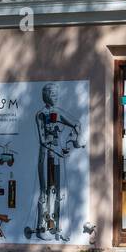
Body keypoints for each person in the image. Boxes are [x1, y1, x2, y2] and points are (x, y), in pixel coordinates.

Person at [34, 83, 82, 241]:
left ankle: (57, 228)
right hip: (46, 155)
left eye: (56, 94)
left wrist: (72, 139)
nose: (55, 97)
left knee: (58, 191)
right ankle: (42, 226)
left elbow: (77, 124)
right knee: (45, 190)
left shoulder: (58, 112)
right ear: (46, 96)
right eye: (52, 94)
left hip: (56, 156)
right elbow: (42, 140)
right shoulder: (40, 114)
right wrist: (58, 147)